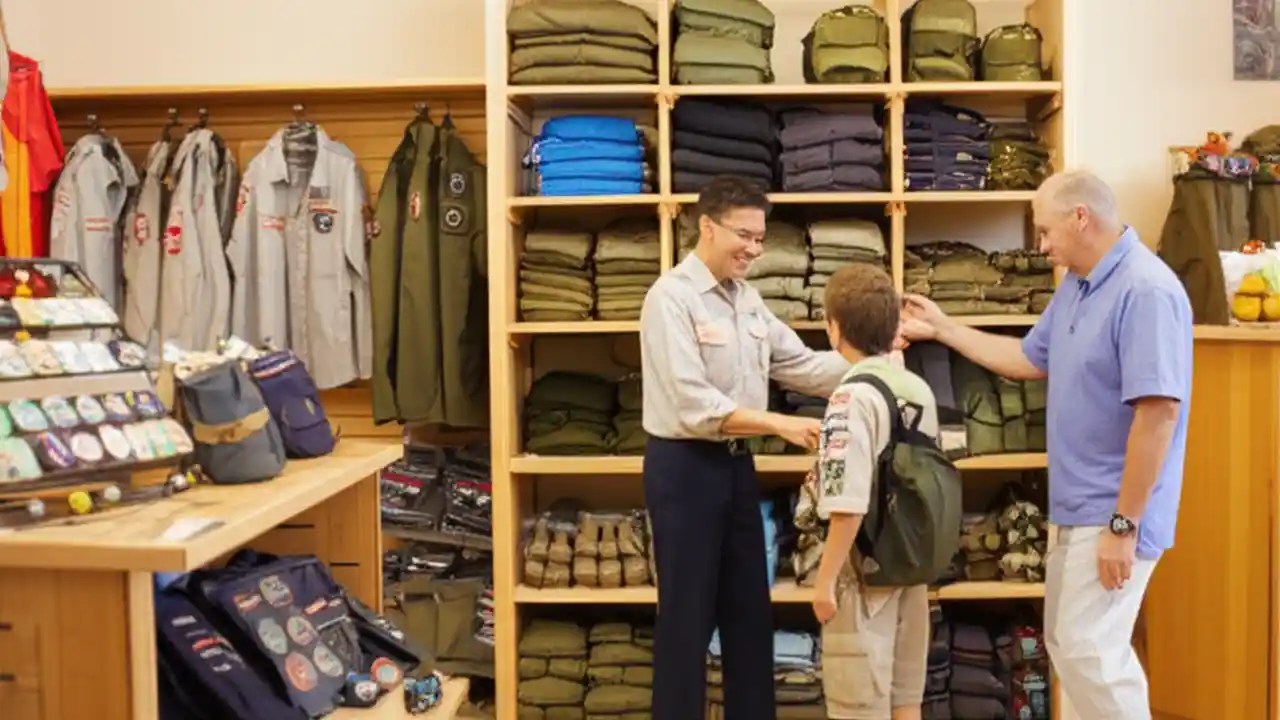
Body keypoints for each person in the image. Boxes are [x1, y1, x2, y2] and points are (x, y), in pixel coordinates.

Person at [900, 169, 1193, 719]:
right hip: (1075, 508)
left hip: (1114, 512)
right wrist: (943, 329)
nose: (1040, 246)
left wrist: (1123, 526)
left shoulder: (1145, 290)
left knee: (1092, 652)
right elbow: (1030, 360)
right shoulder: (1079, 286)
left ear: (1081, 217)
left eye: (1044, 231)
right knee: (1068, 646)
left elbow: (1159, 416)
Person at [638, 174, 849, 720]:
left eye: (761, 238)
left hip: (735, 468)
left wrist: (872, 361)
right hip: (683, 470)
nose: (755, 249)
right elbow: (692, 403)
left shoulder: (747, 300)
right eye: (745, 235)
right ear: (706, 226)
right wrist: (776, 424)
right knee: (686, 619)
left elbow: (800, 364)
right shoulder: (670, 300)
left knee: (748, 613)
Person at [807, 263, 932, 720]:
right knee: (905, 699)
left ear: (834, 328)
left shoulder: (850, 397)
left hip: (864, 570)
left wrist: (825, 582)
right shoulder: (916, 387)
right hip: (912, 562)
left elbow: (847, 502)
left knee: (857, 704)